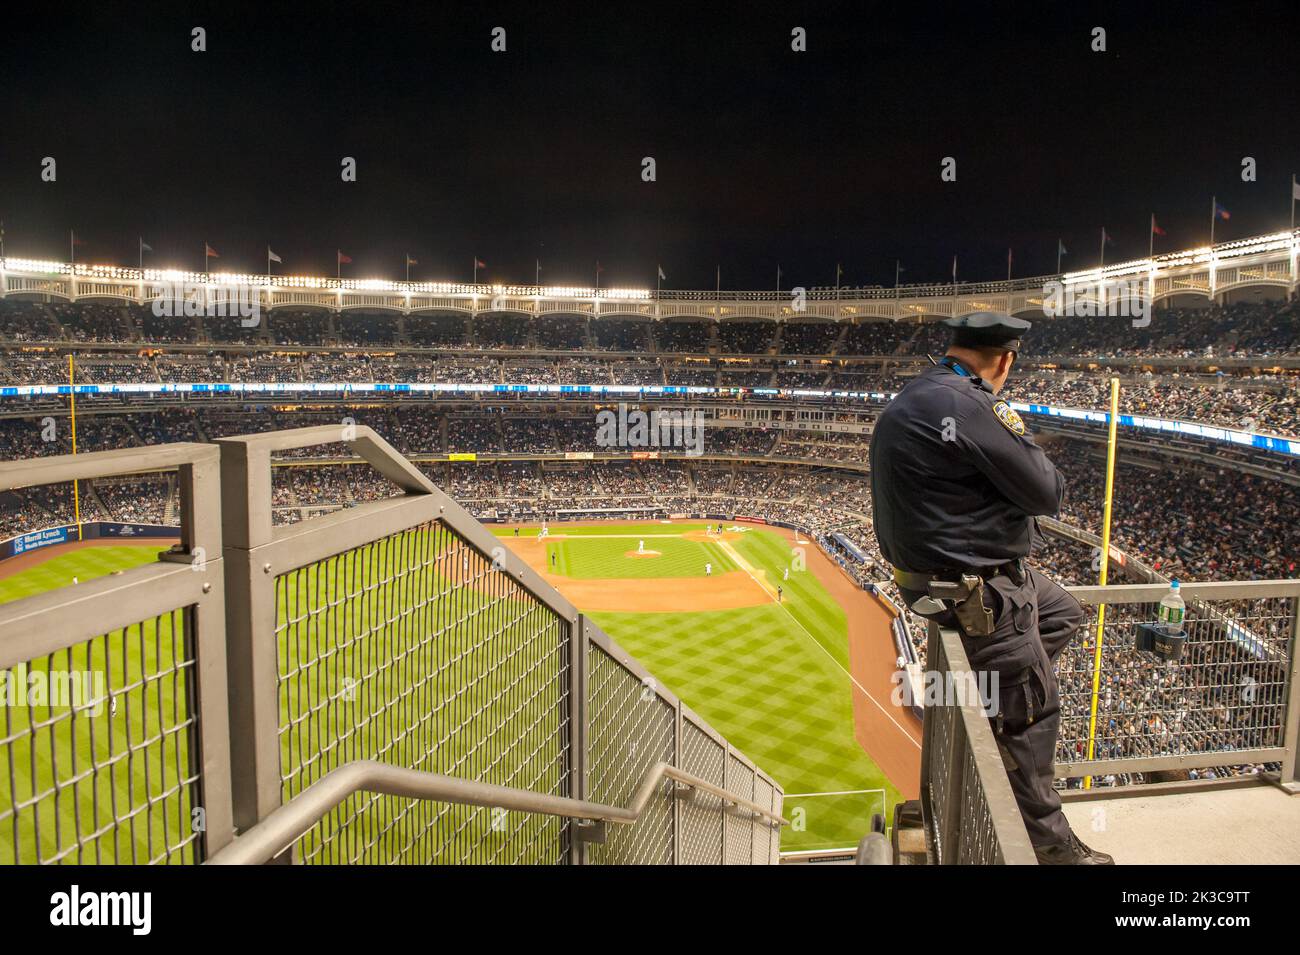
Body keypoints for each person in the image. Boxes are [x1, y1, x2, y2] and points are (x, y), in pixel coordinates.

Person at [868, 312, 1111, 866]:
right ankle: (1056, 851)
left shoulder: (918, 392)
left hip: (934, 580)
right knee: (1030, 716)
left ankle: (995, 694)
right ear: (1005, 360)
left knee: (1063, 611)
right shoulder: (970, 402)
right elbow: (1047, 490)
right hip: (975, 592)